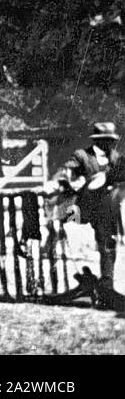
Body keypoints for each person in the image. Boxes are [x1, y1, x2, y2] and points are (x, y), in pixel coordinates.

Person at [51, 122, 122, 305]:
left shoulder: (115, 157)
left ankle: (107, 286)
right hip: (85, 207)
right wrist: (70, 182)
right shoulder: (82, 156)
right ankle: (87, 281)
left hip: (107, 208)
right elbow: (66, 174)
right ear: (98, 141)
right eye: (105, 140)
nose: (109, 144)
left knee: (108, 243)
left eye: (111, 140)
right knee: (81, 240)